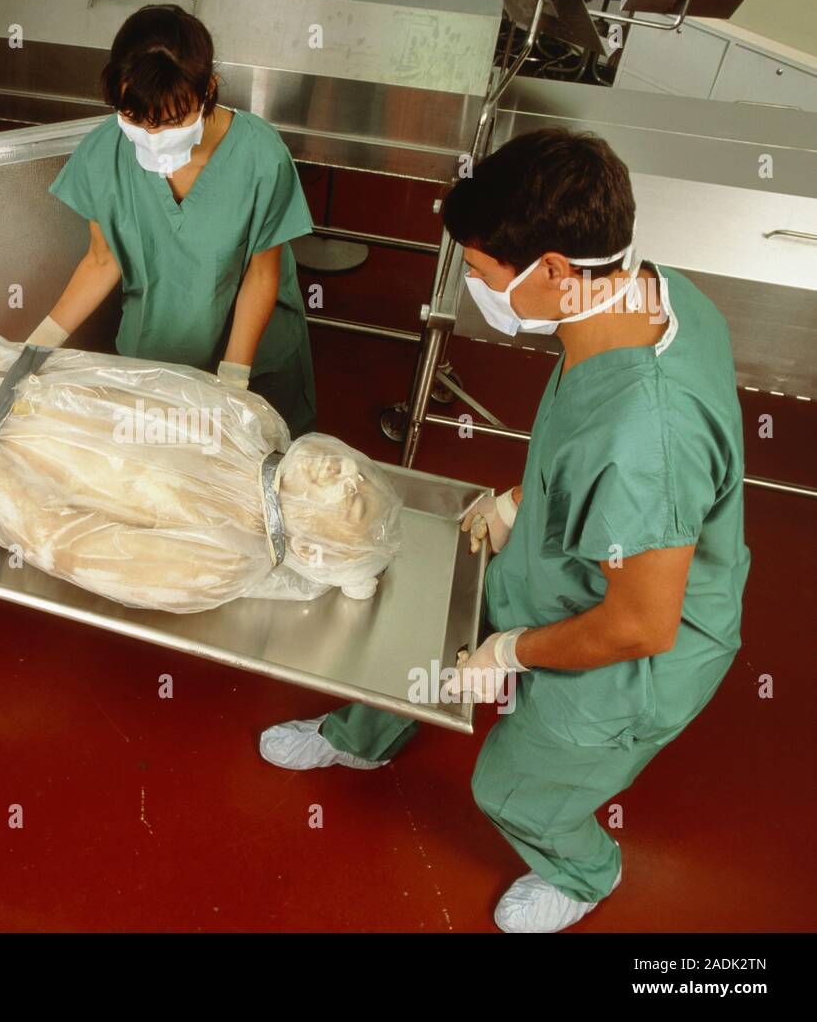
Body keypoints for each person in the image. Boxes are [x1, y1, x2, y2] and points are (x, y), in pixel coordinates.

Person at [260, 129, 751, 933]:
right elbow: (588, 450)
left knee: (511, 789)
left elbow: (639, 621)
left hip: (636, 648)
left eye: (484, 271)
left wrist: (511, 652)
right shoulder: (649, 294)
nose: (476, 286)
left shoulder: (643, 442)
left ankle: (584, 872)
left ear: (555, 270)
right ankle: (363, 735)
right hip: (576, 557)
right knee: (430, 607)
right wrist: (523, 500)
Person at [31, 4, 318, 437]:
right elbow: (101, 261)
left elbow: (262, 275)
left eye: (172, 121)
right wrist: (35, 348)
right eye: (134, 119)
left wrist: (234, 382)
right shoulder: (103, 153)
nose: (153, 137)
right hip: (154, 363)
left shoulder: (260, 156)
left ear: (209, 90)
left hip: (252, 363)